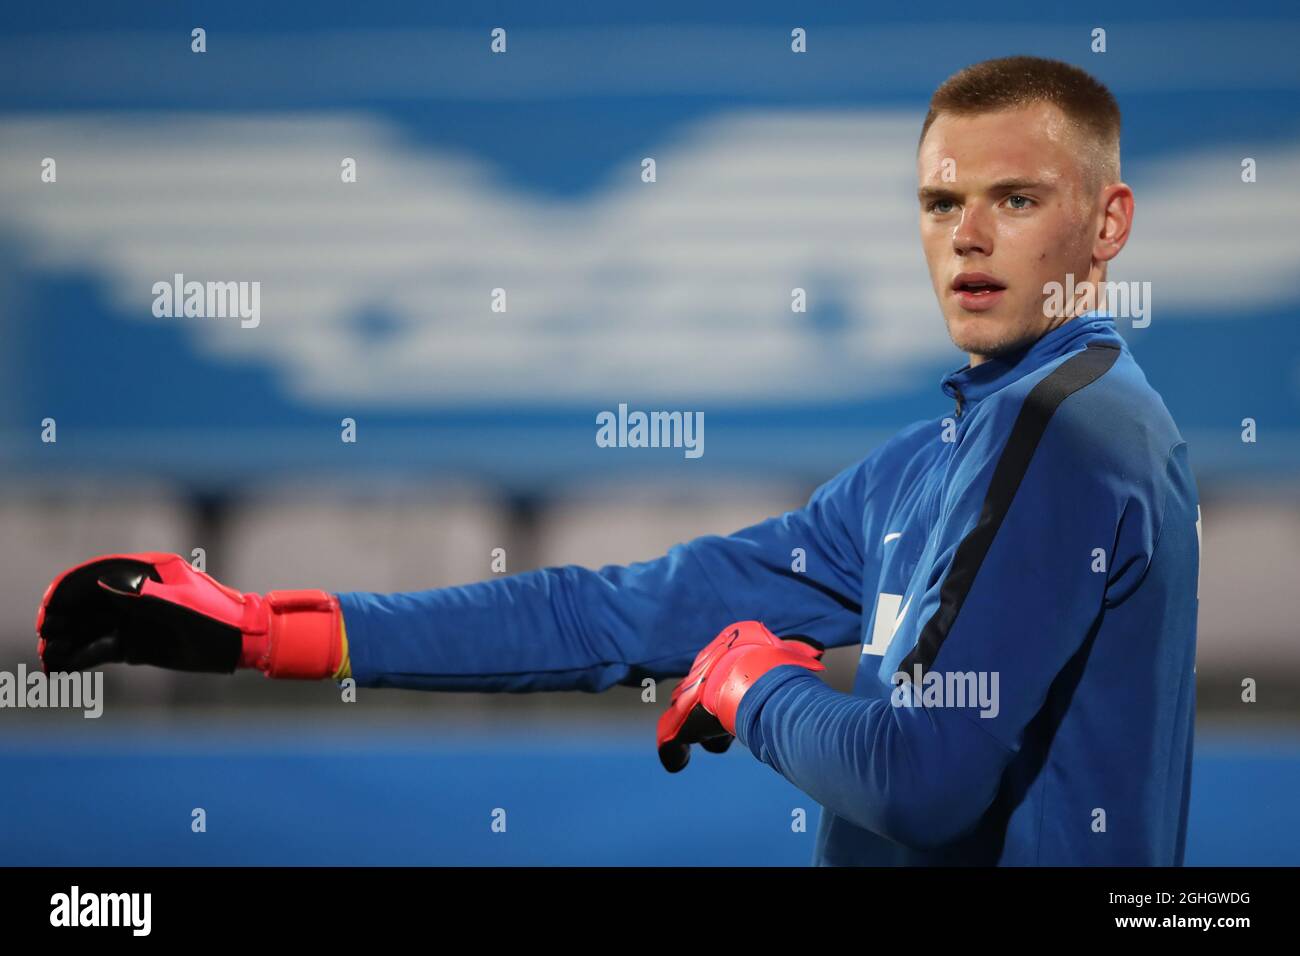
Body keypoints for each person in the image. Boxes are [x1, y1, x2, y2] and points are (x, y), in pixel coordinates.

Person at [36, 55, 1200, 866]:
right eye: (941, 201)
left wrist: (753, 686)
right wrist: (269, 631)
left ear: (1108, 225)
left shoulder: (1071, 430)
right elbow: (613, 613)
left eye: (1015, 197)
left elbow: (920, 782)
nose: (969, 235)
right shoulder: (937, 455)